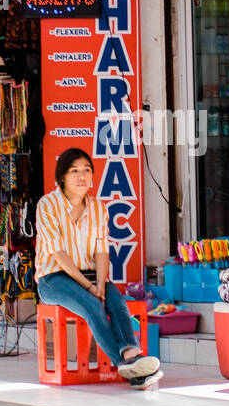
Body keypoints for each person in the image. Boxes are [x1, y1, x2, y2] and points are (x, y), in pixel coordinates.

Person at [34, 148, 162, 388]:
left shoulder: (98, 207)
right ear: (61, 177)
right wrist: (89, 287)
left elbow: (102, 250)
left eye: (87, 170)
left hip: (91, 276)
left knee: (116, 301)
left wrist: (101, 284)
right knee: (92, 305)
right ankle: (126, 363)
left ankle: (130, 353)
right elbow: (58, 254)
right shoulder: (48, 205)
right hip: (53, 278)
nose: (82, 176)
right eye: (74, 171)